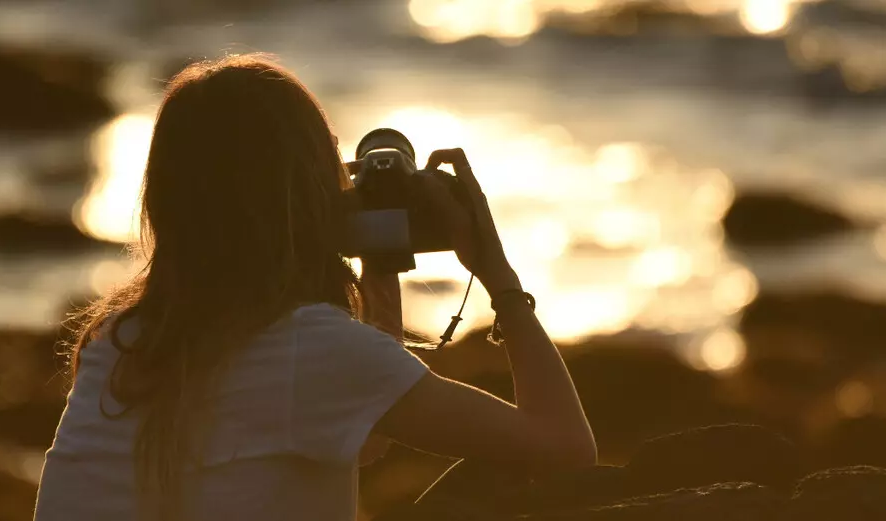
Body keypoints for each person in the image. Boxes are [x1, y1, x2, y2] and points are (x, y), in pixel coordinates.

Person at [32, 54, 596, 521]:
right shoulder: (311, 349)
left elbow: (363, 438)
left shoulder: (120, 337)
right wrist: (496, 272)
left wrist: (379, 272)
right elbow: (566, 449)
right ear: (305, 193)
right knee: (491, 483)